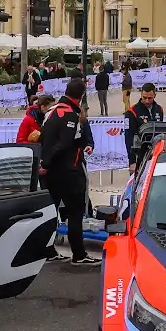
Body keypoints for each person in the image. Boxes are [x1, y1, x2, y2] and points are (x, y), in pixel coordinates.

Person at [41, 77, 97, 265]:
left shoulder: (51, 111)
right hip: (68, 173)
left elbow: (44, 138)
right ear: (81, 96)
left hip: (51, 174)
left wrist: (44, 164)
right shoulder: (71, 115)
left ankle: (47, 251)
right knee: (75, 213)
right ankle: (79, 255)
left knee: (50, 213)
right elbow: (63, 144)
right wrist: (47, 164)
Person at [124, 84, 163, 165]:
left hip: (156, 155)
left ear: (155, 95)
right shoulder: (131, 112)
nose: (147, 101)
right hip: (139, 156)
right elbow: (128, 138)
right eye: (144, 97)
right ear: (141, 94)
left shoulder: (159, 109)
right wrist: (132, 162)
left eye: (150, 98)